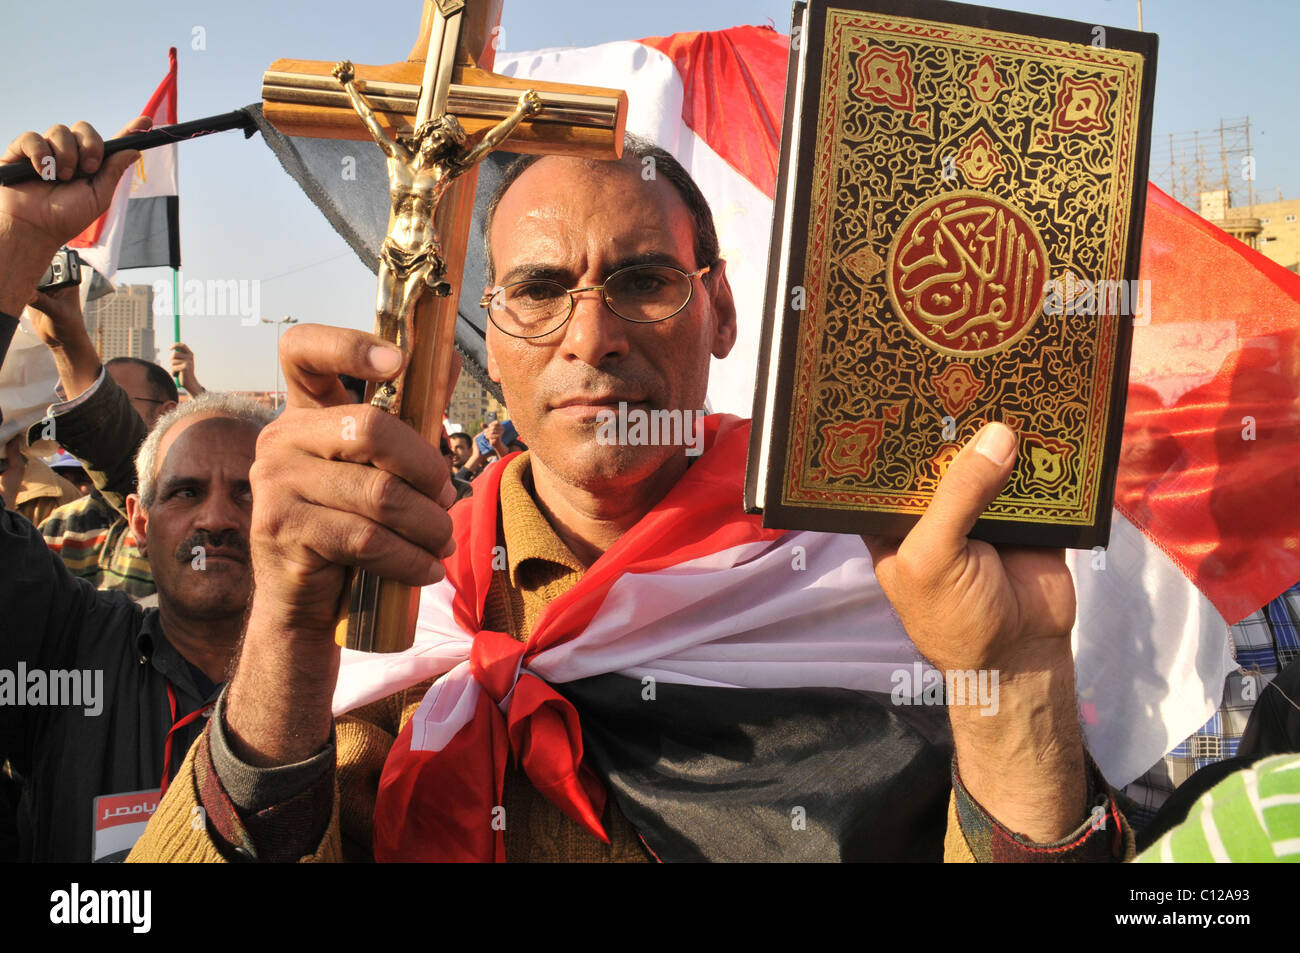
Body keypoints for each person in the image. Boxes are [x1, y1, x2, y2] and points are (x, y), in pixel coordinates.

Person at [131, 137, 1126, 863]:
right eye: (539, 288)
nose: (590, 334)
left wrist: (1016, 674)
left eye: (644, 281)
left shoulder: (889, 572)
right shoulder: (398, 601)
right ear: (493, 328)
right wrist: (290, 633)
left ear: (722, 309)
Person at [0, 117, 276, 861]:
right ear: (138, 521)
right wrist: (21, 240)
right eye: (185, 492)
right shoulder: (64, 652)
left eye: (247, 494)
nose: (217, 517)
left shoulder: (355, 675)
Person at [29, 284, 178, 598]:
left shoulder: (188, 527)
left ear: (167, 415)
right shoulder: (61, 526)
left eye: (118, 401)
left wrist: (68, 343)